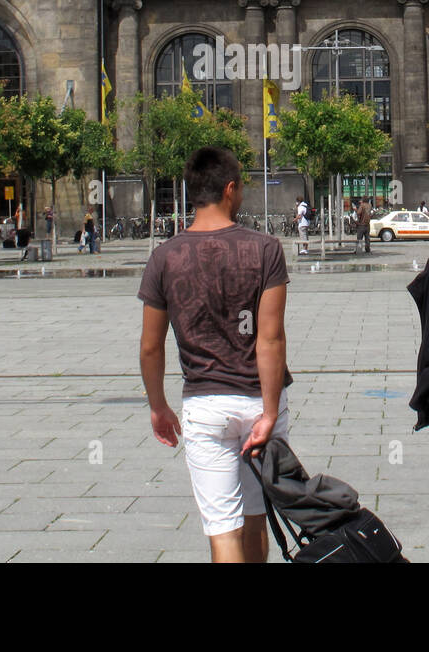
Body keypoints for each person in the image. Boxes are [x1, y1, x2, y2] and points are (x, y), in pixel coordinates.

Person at [139, 146, 291, 563]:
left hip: (205, 406)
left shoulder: (164, 257)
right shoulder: (265, 249)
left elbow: (151, 346)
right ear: (229, 189)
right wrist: (271, 414)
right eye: (240, 186)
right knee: (258, 516)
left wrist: (158, 407)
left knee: (224, 531)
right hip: (258, 402)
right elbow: (271, 339)